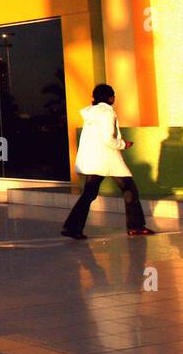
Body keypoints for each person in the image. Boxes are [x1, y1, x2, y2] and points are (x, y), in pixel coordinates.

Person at [62, 84, 153, 239]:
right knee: (130, 190)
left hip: (93, 159)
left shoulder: (91, 114)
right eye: (113, 96)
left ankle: (72, 227)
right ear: (110, 97)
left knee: (89, 194)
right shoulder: (107, 113)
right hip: (108, 159)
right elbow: (108, 140)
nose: (114, 98)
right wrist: (124, 144)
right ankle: (136, 226)